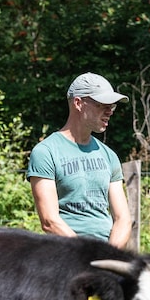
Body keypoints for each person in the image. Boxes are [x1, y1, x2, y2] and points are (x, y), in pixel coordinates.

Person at [27, 72, 132, 248]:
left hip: (104, 255)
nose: (109, 112)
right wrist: (85, 255)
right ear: (78, 103)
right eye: (102, 105)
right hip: (65, 255)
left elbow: (123, 219)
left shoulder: (109, 155)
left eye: (112, 107)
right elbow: (49, 221)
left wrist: (108, 256)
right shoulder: (46, 152)